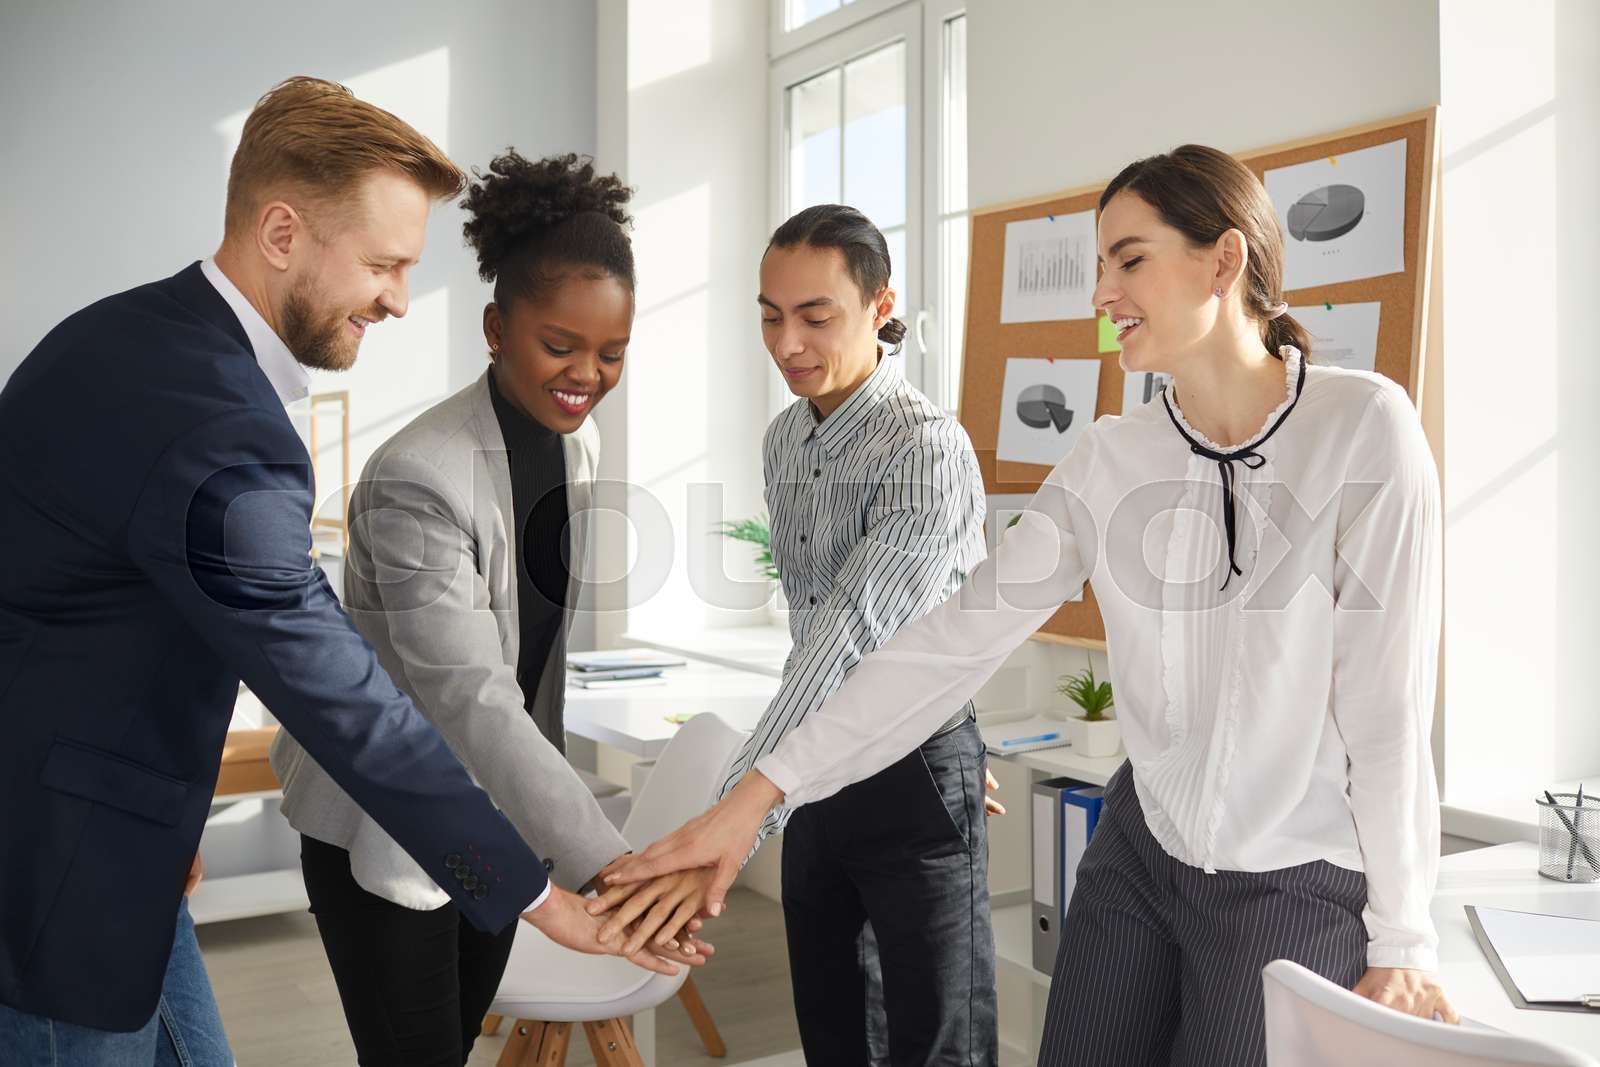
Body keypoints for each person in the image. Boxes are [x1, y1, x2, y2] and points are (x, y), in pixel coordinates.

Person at [605, 145, 1454, 1066]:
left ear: (1225, 258)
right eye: (1099, 264)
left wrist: (1404, 940)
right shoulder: (1110, 456)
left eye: (1128, 259)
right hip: (1143, 851)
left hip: (1293, 873)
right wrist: (759, 796)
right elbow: (953, 642)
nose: (1101, 293)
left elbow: (1388, 710)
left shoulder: (1364, 428)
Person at [0, 77, 679, 1067]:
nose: (401, 298)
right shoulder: (221, 425)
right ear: (284, 233)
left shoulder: (135, 337)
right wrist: (537, 891)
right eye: (384, 264)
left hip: (115, 841)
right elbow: (340, 694)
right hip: (62, 881)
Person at [270, 150, 712, 1066]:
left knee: (461, 1039)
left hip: (497, 824)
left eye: (612, 352)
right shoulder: (416, 478)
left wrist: (563, 850)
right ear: (494, 328)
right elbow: (472, 697)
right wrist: (611, 866)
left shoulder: (574, 453)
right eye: (561, 344)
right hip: (386, 826)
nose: (587, 373)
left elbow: (530, 665)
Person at [595, 204, 1002, 1065]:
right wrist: (768, 796)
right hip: (817, 777)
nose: (788, 343)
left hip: (910, 771)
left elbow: (855, 635)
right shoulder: (788, 437)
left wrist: (736, 810)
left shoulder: (924, 447)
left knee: (939, 1041)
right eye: (771, 316)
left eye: (816, 316)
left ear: (882, 303)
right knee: (831, 1022)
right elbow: (815, 618)